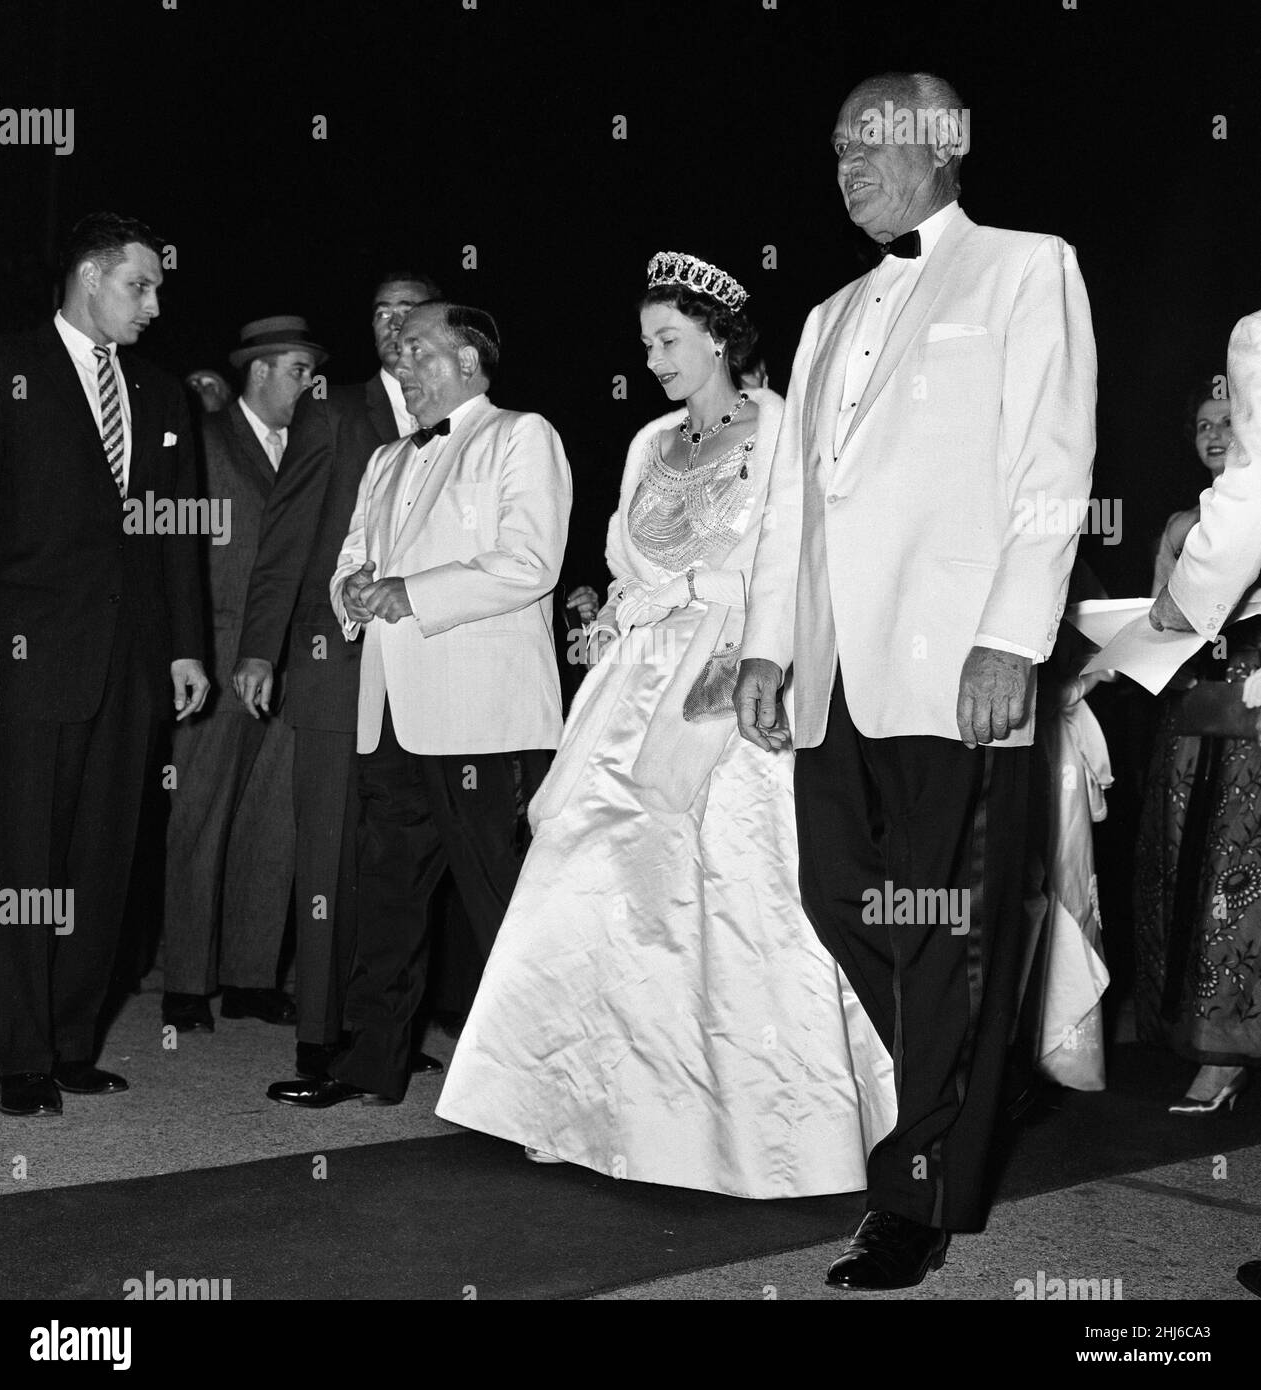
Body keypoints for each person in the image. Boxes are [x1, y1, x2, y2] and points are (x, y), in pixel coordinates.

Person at [735, 72, 1096, 1288]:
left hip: (959, 663)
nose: (847, 164)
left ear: (952, 144)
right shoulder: (831, 310)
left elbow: (1052, 464)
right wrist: (768, 645)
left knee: (941, 923)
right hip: (839, 668)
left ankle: (918, 1191)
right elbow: (795, 499)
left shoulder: (1024, 264)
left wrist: (1014, 634)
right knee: (844, 898)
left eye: (874, 140)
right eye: (836, 146)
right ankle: (980, 1079)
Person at [436, 253, 896, 1198]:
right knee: (586, 878)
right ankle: (570, 1105)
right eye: (646, 343)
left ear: (721, 338)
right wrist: (611, 610)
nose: (652, 359)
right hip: (631, 683)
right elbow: (631, 560)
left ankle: (769, 1126)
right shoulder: (649, 441)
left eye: (669, 340)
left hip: (727, 681)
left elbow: (792, 561)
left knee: (729, 893)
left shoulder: (777, 428)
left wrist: (746, 654)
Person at [267, 301, 570, 1108]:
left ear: (470, 361)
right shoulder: (387, 460)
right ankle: (373, 1065)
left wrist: (408, 591)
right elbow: (348, 560)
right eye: (396, 355)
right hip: (393, 714)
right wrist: (353, 592)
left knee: (499, 900)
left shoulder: (521, 435)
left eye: (418, 352)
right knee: (387, 896)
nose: (401, 366)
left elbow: (530, 562)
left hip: (482, 717)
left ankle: (546, 1083)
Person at [0, 211, 209, 1116]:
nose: (153, 305)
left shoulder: (158, 394)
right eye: (139, 286)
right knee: (24, 859)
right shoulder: (2, 370)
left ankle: (75, 1042)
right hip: (33, 657)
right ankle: (23, 1057)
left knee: (105, 858)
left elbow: (179, 532)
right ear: (88, 276)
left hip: (134, 661)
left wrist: (188, 643)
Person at [232, 272, 445, 1080]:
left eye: (409, 314)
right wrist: (259, 647)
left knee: (395, 861)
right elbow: (286, 535)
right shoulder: (330, 410)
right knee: (326, 857)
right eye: (379, 312)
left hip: (421, 672)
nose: (393, 326)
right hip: (334, 664)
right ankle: (321, 1040)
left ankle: (382, 1032)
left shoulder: (456, 421)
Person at [161, 317, 326, 1034]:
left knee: (274, 822)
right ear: (257, 371)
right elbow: (177, 552)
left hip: (293, 664)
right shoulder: (204, 441)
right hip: (221, 655)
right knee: (199, 819)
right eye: (296, 370)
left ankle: (251, 977)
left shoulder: (312, 446)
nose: (309, 384)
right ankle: (186, 984)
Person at [1143, 316, 1261, 1112]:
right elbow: (1159, 619)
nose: (1219, 433)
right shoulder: (1185, 524)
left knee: (1240, 871)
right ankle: (1212, 1043)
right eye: (1204, 425)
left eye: (1231, 418)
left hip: (1252, 705)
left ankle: (1229, 1047)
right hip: (1197, 707)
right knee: (1192, 867)